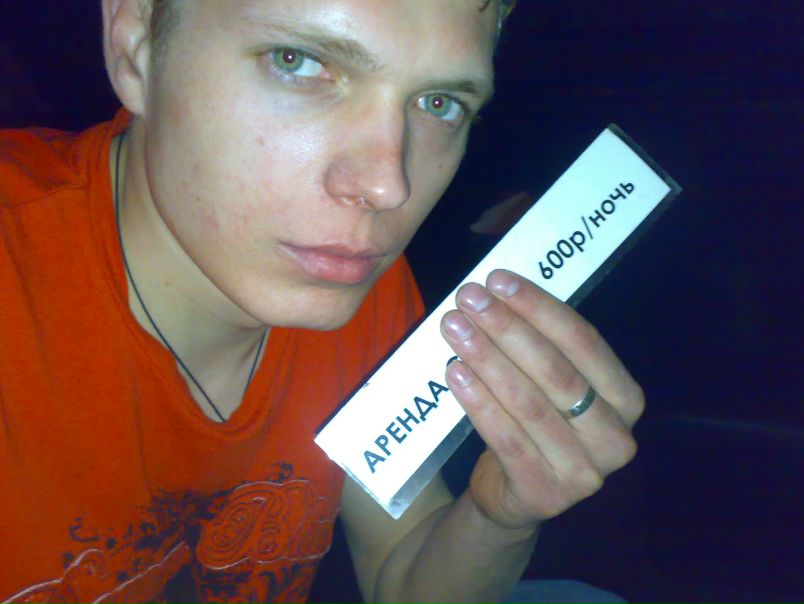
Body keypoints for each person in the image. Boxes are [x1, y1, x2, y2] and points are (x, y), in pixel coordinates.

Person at [0, 0, 643, 602]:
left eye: (438, 103)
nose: (387, 185)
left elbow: (401, 576)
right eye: (299, 63)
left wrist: (500, 518)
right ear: (136, 43)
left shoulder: (356, 281)